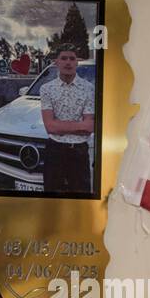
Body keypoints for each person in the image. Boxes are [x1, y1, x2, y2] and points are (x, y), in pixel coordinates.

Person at [39, 45, 94, 195]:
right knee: (51, 199)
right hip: (54, 151)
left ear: (77, 62)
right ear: (56, 62)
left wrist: (60, 126)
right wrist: (79, 126)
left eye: (72, 58)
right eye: (63, 58)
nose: (68, 62)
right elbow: (50, 127)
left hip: (79, 152)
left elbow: (89, 127)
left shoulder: (89, 89)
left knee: (81, 200)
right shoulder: (46, 89)